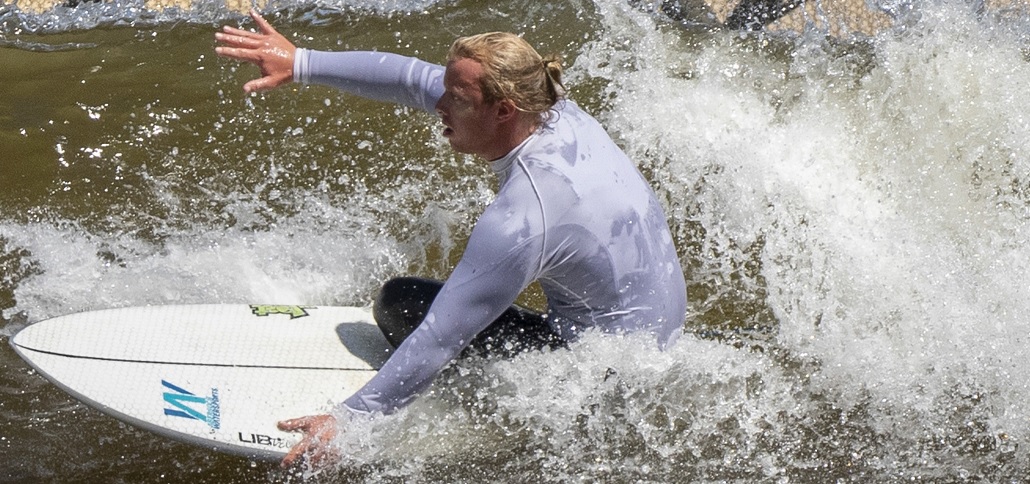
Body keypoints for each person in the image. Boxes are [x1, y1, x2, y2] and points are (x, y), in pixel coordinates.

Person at [215, 10, 688, 468]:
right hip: (660, 345)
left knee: (401, 302)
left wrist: (350, 420)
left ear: (503, 110)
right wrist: (300, 61)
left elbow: (441, 337)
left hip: (598, 384)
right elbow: (408, 78)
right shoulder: (555, 107)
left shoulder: (527, 213)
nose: (439, 105)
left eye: (455, 99)